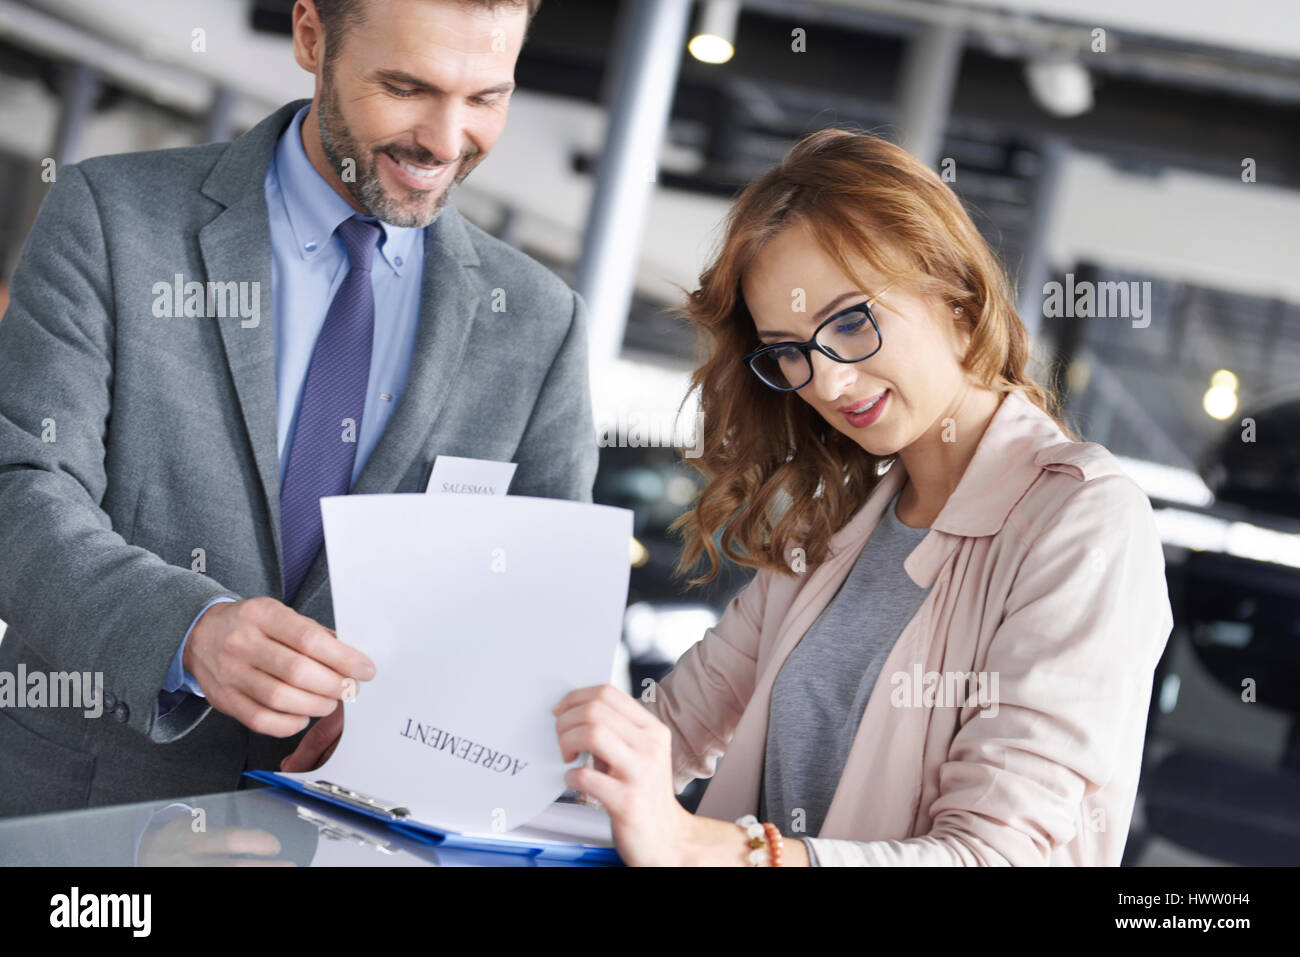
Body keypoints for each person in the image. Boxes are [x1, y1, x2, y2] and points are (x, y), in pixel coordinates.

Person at [0, 0, 598, 816]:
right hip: (84, 817)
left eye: (487, 98)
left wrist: (406, 713)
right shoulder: (114, 218)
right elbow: (21, 484)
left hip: (354, 831)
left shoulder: (538, 324)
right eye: (405, 85)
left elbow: (534, 608)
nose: (445, 141)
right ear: (311, 36)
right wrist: (186, 629)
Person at [553, 128, 1173, 866]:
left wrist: (713, 848)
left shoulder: (1083, 519)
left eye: (851, 322)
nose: (828, 382)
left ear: (958, 298)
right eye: (789, 348)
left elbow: (994, 857)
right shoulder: (842, 521)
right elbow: (669, 727)